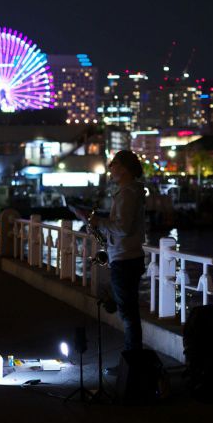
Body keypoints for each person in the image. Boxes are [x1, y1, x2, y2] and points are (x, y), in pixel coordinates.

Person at [75, 150, 147, 351]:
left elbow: (123, 228)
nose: (110, 167)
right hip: (129, 257)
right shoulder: (132, 191)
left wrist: (99, 222)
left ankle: (131, 361)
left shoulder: (127, 193)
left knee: (128, 314)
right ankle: (132, 358)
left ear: (124, 168)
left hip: (125, 259)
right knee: (128, 311)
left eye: (114, 163)